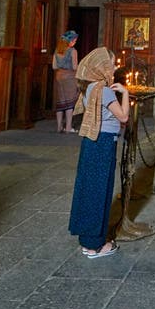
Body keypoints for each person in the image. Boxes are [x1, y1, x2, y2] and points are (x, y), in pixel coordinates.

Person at [68, 47, 130, 258]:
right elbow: (123, 117)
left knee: (88, 189)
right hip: (103, 143)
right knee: (100, 191)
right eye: (111, 63)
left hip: (91, 142)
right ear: (101, 66)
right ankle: (96, 245)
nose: (113, 67)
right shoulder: (104, 90)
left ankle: (87, 241)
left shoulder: (89, 88)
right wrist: (125, 93)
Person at [53, 30, 79, 133]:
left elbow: (54, 66)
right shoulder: (73, 51)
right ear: (70, 41)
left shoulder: (57, 50)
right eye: (74, 40)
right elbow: (74, 67)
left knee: (61, 102)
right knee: (70, 103)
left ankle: (59, 126)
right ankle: (68, 127)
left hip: (59, 76)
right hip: (70, 78)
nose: (75, 42)